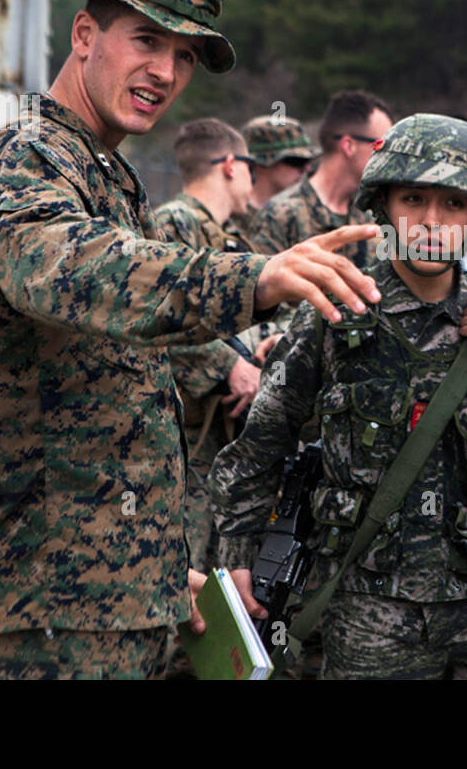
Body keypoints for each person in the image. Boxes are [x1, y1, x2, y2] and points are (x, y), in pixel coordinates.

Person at [0, 0, 380, 679]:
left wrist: (158, 568)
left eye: (184, 56)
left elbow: (108, 397)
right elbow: (62, 272)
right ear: (85, 35)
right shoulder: (30, 154)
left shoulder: (104, 174)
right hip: (41, 608)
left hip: (110, 594)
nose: (166, 72)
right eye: (146, 40)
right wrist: (254, 279)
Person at [214, 113, 467, 679]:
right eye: (414, 199)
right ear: (384, 207)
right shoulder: (335, 312)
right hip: (370, 611)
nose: (431, 222)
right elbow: (261, 442)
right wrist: (239, 556)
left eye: (453, 204)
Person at [154, 118, 263, 577]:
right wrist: (229, 367)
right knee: (186, 567)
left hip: (218, 437)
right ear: (232, 166)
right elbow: (156, 316)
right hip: (185, 438)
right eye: (252, 167)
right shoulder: (174, 223)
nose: (255, 181)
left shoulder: (226, 237)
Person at [254, 89, 394, 263]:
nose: (389, 156)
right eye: (381, 145)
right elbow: (264, 278)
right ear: (349, 146)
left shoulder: (372, 216)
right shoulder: (280, 216)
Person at [228, 113, 318, 237]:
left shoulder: (312, 211)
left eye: (308, 161)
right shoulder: (232, 215)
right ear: (262, 162)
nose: (306, 169)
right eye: (296, 161)